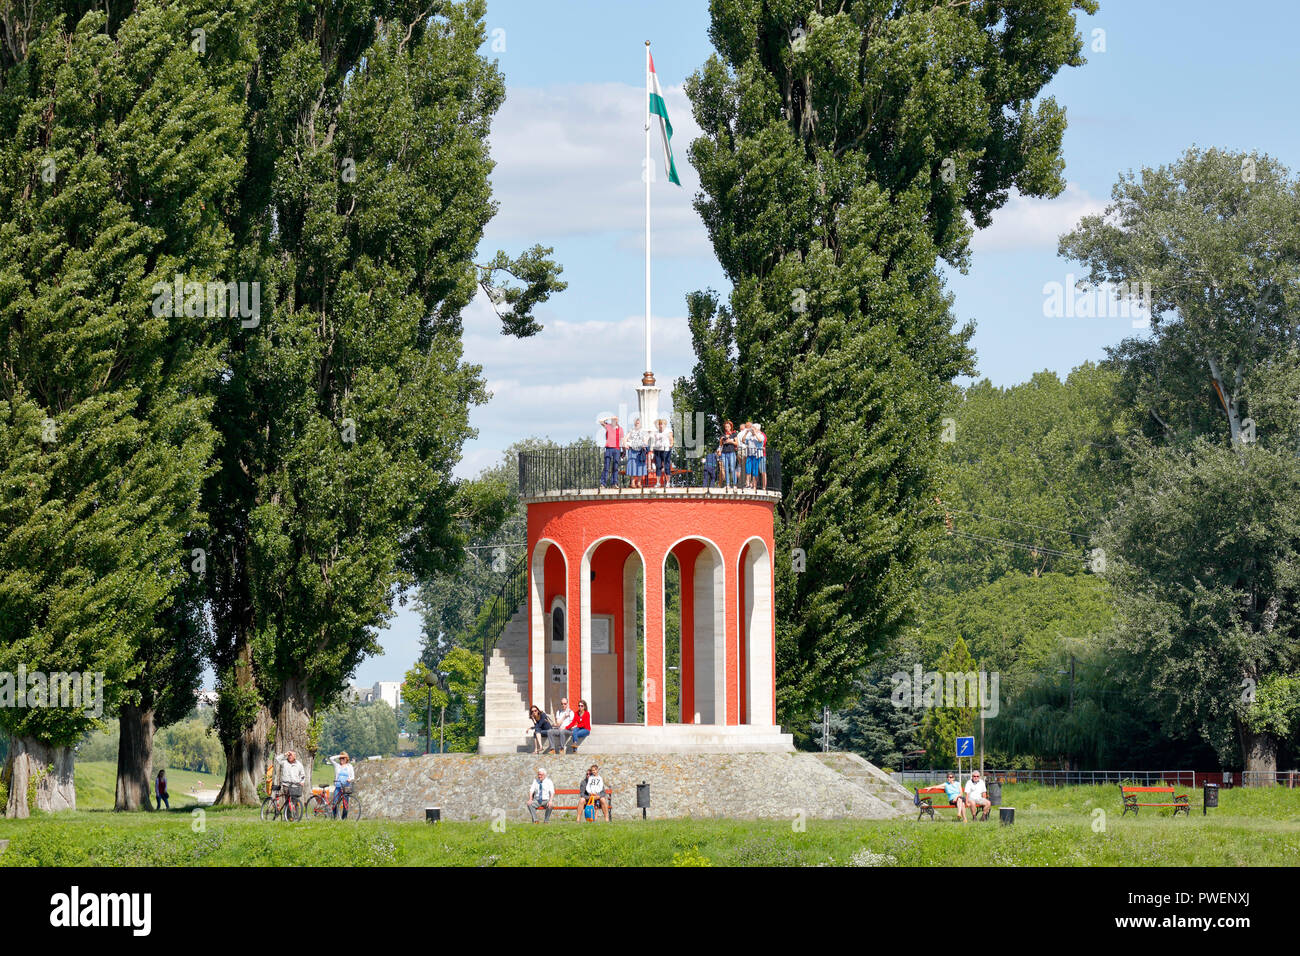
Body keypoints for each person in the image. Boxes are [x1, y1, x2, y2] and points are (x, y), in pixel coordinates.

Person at [597, 415, 623, 487]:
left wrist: (624, 451)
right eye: (613, 420)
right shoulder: (608, 426)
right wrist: (608, 417)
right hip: (609, 448)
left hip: (617, 449)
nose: (614, 421)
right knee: (606, 466)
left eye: (615, 420)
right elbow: (600, 421)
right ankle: (603, 483)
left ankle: (614, 483)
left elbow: (622, 440)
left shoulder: (620, 429)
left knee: (615, 467)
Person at [328, 751, 355, 819]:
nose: (342, 760)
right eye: (341, 758)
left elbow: (352, 776)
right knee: (335, 802)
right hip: (338, 786)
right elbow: (331, 758)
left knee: (345, 803)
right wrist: (339, 756)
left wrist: (350, 779)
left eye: (344, 758)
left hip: (346, 787)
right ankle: (334, 817)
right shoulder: (337, 765)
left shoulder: (349, 766)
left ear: (346, 759)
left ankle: (344, 818)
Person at [624, 418, 649, 488]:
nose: (637, 423)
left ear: (640, 424)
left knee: (641, 466)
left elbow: (645, 440)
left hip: (640, 451)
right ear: (634, 423)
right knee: (632, 466)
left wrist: (645, 445)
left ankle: (639, 482)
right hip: (632, 450)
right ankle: (632, 482)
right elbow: (625, 439)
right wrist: (625, 444)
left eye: (639, 422)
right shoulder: (631, 430)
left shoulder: (643, 431)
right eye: (636, 422)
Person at [651, 419, 673, 488]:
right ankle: (658, 482)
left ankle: (668, 482)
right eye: (660, 424)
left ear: (665, 425)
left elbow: (671, 439)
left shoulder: (668, 431)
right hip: (657, 450)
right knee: (658, 466)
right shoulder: (656, 432)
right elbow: (654, 440)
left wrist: (671, 445)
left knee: (666, 466)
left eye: (662, 424)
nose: (661, 426)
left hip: (665, 450)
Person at [719, 420, 739, 490]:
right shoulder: (723, 435)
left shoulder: (734, 434)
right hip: (724, 452)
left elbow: (737, 443)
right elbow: (721, 445)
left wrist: (731, 441)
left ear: (731, 427)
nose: (727, 428)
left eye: (728, 426)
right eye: (726, 427)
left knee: (732, 468)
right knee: (726, 469)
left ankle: (734, 484)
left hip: (731, 452)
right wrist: (721, 439)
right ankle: (727, 484)